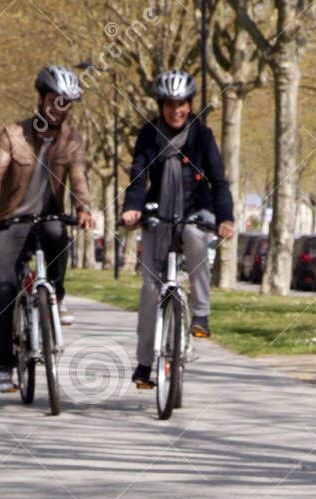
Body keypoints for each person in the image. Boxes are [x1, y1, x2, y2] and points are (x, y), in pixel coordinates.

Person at [0, 66, 94, 393]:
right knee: (3, 290)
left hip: (49, 219)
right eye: (54, 101)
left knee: (60, 234)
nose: (59, 109)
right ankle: (4, 367)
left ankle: (55, 297)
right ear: (41, 99)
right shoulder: (12, 134)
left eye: (66, 103)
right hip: (11, 221)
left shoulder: (71, 140)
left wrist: (84, 207)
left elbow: (79, 177)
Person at [121, 70, 234, 389]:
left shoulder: (202, 136)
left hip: (195, 210)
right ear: (161, 106)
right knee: (150, 288)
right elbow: (139, 177)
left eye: (181, 104)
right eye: (169, 104)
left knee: (195, 237)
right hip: (158, 212)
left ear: (189, 104)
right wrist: (132, 208)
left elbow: (218, 181)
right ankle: (144, 363)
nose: (176, 111)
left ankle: (201, 315)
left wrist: (225, 217)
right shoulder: (148, 135)